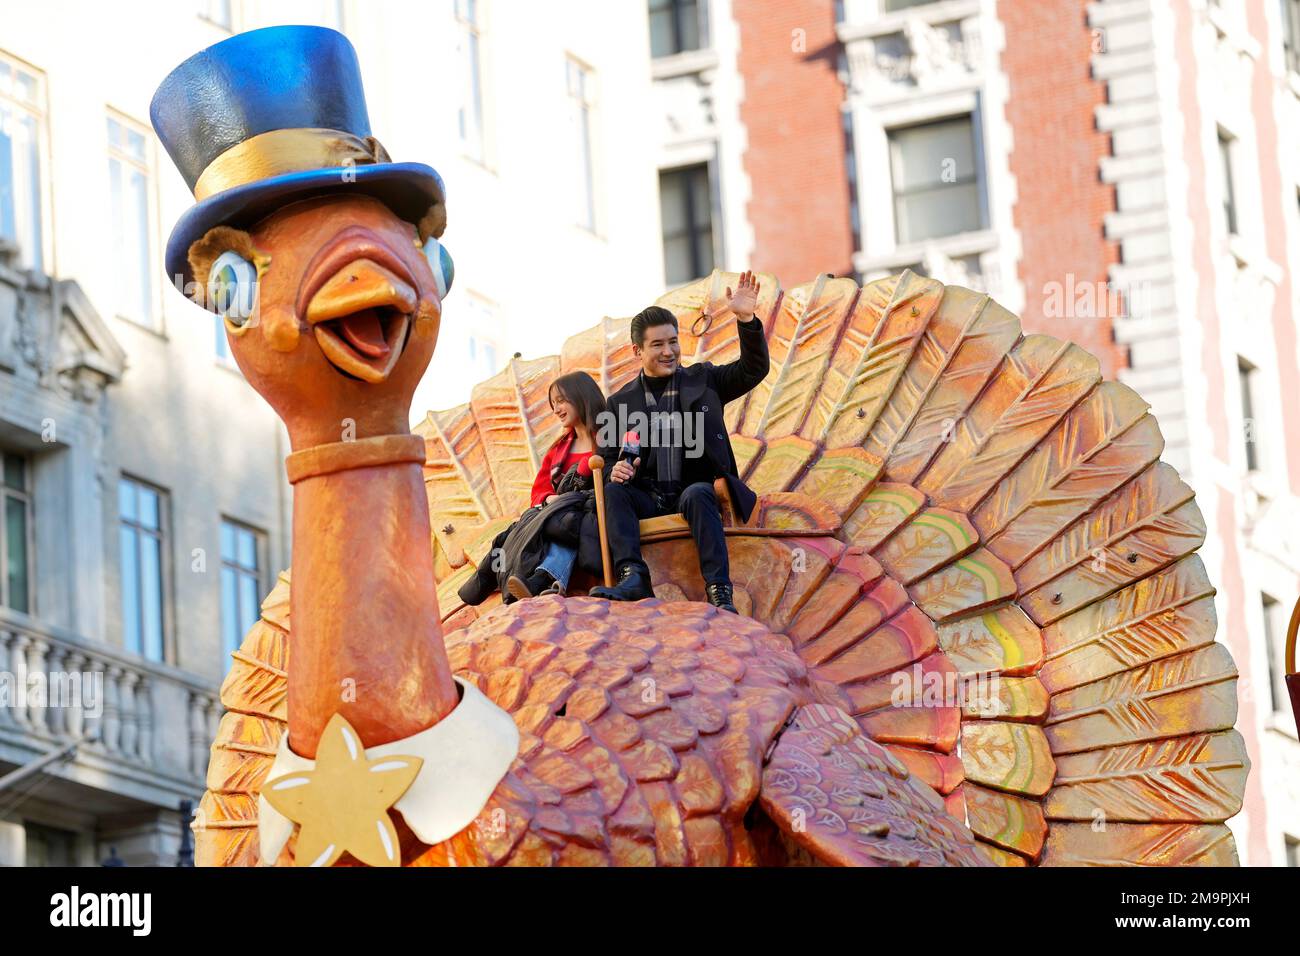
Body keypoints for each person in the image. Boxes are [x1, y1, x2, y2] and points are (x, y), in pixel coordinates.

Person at [588, 271, 769, 612]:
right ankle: (633, 576)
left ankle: (719, 591)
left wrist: (746, 320)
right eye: (658, 345)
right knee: (614, 492)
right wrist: (616, 470)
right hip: (648, 495)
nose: (669, 351)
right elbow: (606, 458)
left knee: (700, 494)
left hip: (694, 489)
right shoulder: (620, 403)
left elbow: (752, 370)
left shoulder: (705, 380)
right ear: (636, 351)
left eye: (673, 342)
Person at [457, 371, 610, 605]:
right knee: (522, 528)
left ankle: (516, 578)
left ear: (581, 397)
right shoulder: (558, 449)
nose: (556, 409)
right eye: (553, 404)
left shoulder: (608, 439)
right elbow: (539, 490)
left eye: (561, 401)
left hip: (590, 512)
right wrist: (549, 499)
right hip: (555, 512)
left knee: (564, 527)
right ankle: (507, 577)